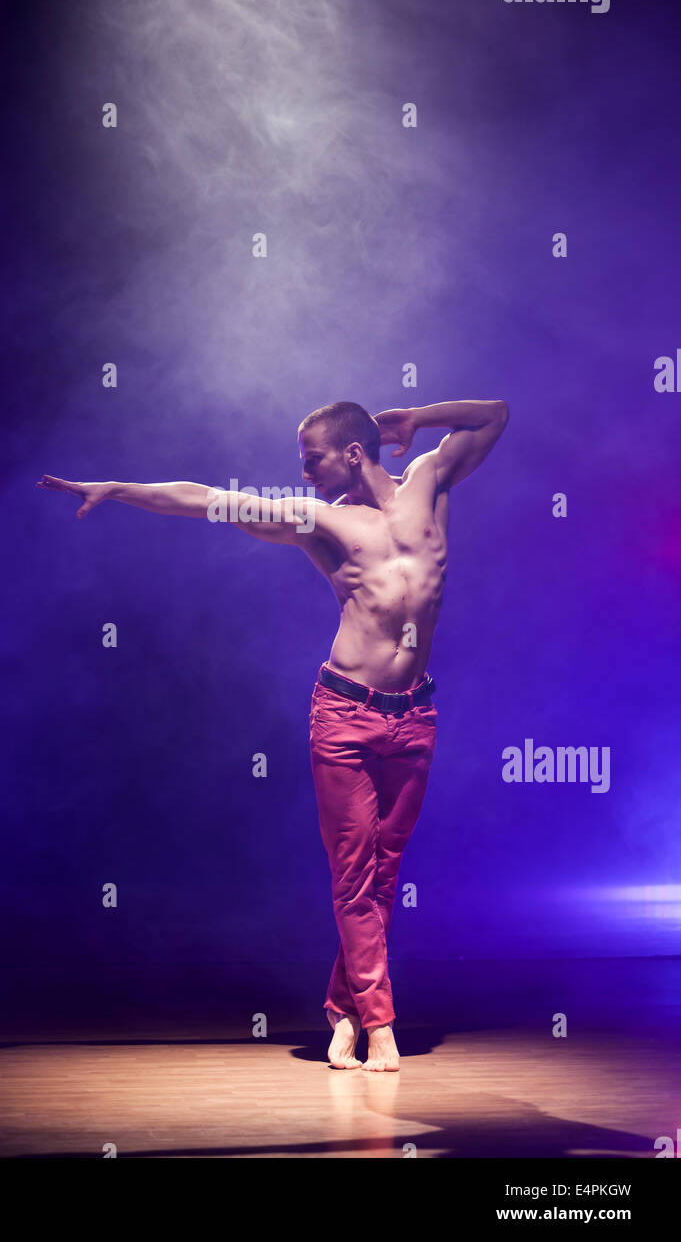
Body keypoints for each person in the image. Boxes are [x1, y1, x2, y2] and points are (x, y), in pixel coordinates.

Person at [37, 397, 509, 1071]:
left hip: (412, 716)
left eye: (310, 458)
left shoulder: (429, 480)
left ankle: (340, 1011)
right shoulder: (317, 520)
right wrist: (119, 488)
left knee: (381, 877)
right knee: (353, 878)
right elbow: (206, 500)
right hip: (342, 715)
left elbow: (493, 414)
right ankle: (378, 1025)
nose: (303, 472)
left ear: (351, 452)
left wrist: (412, 418)